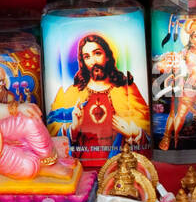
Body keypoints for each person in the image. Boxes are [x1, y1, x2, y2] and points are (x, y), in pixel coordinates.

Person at [48, 33, 149, 168]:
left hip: (120, 167)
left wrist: (134, 132)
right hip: (79, 168)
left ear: (107, 56)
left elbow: (145, 129)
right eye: (87, 57)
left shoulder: (127, 90)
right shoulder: (72, 93)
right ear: (83, 62)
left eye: (97, 53)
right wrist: (73, 128)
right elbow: (52, 133)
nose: (93, 61)